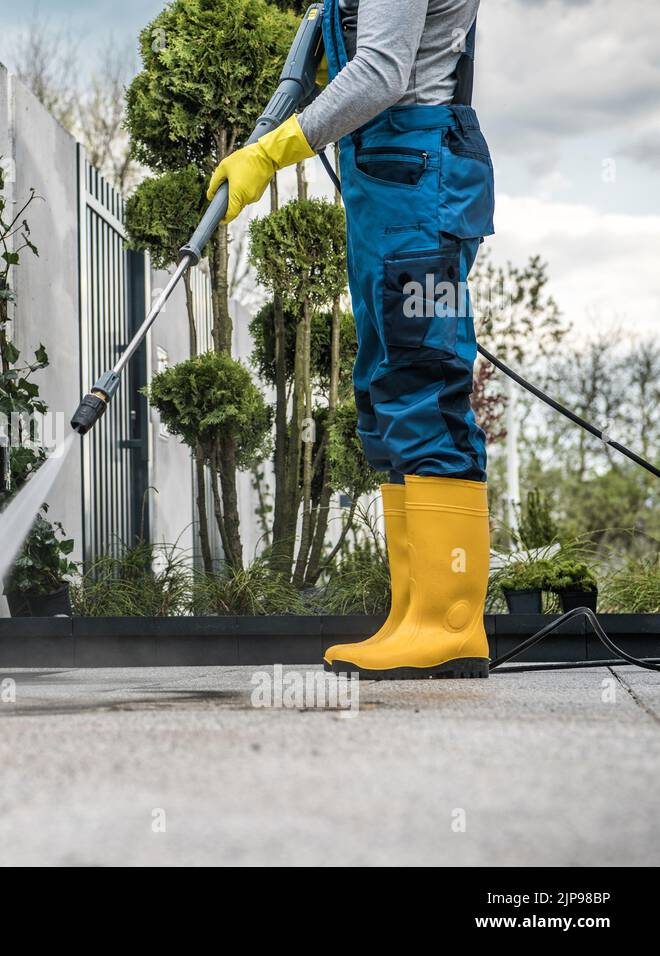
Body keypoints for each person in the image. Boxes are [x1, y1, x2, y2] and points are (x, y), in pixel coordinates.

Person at [205, 0, 494, 679]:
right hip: (393, 178)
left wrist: (271, 151)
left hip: (416, 180)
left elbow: (383, 73)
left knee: (423, 386)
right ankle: (414, 615)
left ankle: (449, 624)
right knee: (388, 391)